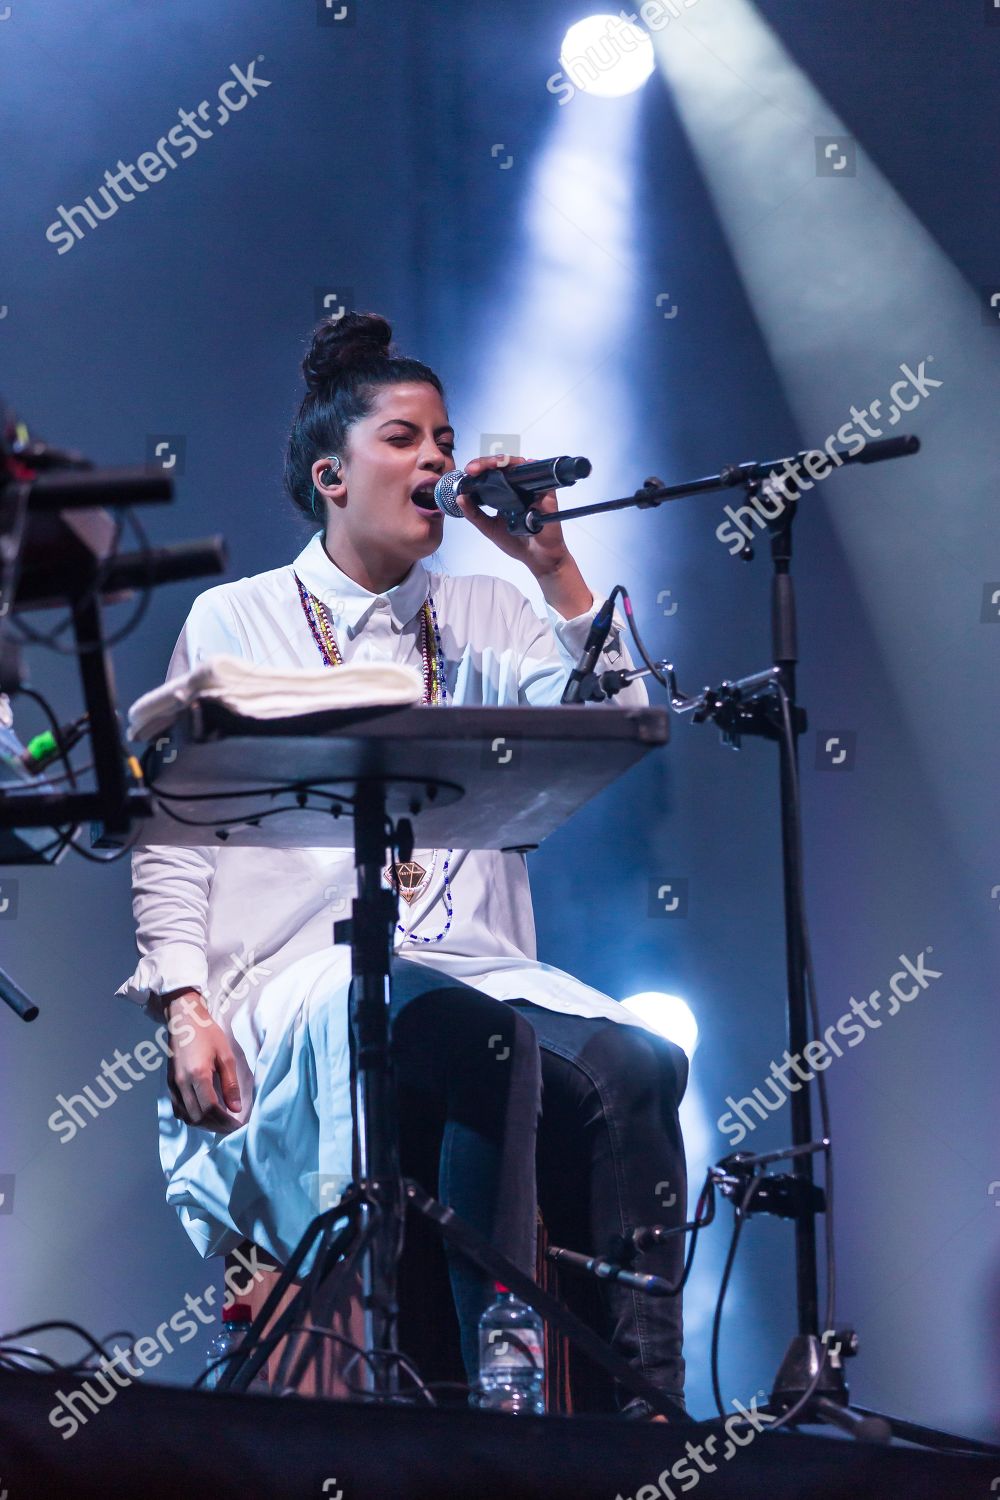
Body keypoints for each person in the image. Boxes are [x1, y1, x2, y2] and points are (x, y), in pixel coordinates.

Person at [117, 312, 688, 1416]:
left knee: (638, 1061)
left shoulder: (488, 608)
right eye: (404, 439)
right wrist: (182, 1004)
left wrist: (554, 566)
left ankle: (643, 1413)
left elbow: (620, 719)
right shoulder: (235, 617)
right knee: (474, 1040)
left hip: (477, 962)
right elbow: (175, 831)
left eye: (446, 441)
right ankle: (497, 1365)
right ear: (330, 475)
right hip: (305, 978)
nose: (436, 460)